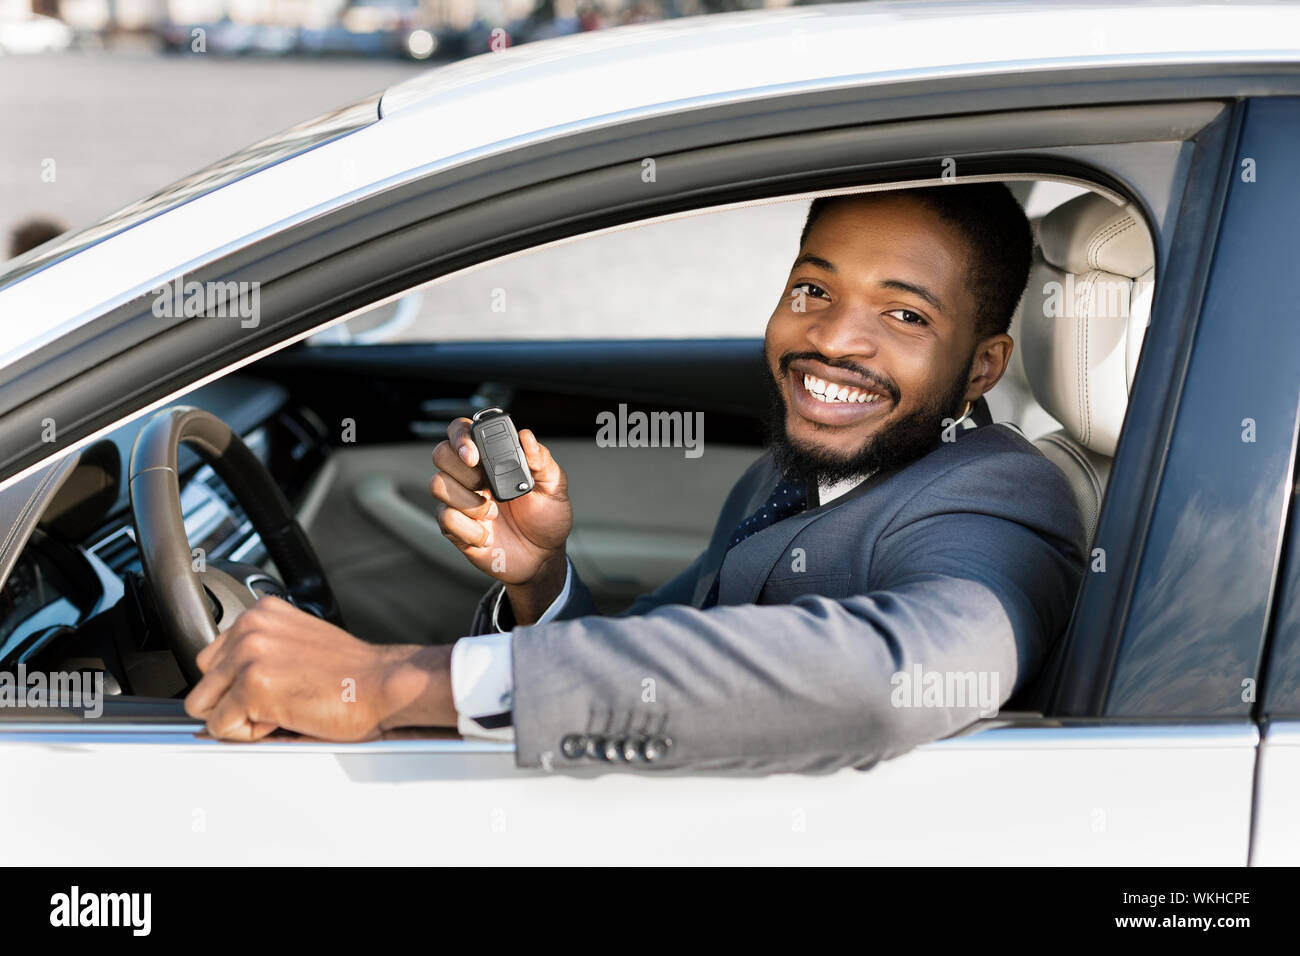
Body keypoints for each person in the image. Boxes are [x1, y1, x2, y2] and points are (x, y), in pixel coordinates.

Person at [185, 184, 1086, 774]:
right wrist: (540, 576)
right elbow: (659, 662)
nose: (834, 339)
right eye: (813, 290)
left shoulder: (1000, 492)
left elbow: (888, 678)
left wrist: (390, 684)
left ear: (981, 367)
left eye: (904, 313)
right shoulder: (792, 476)